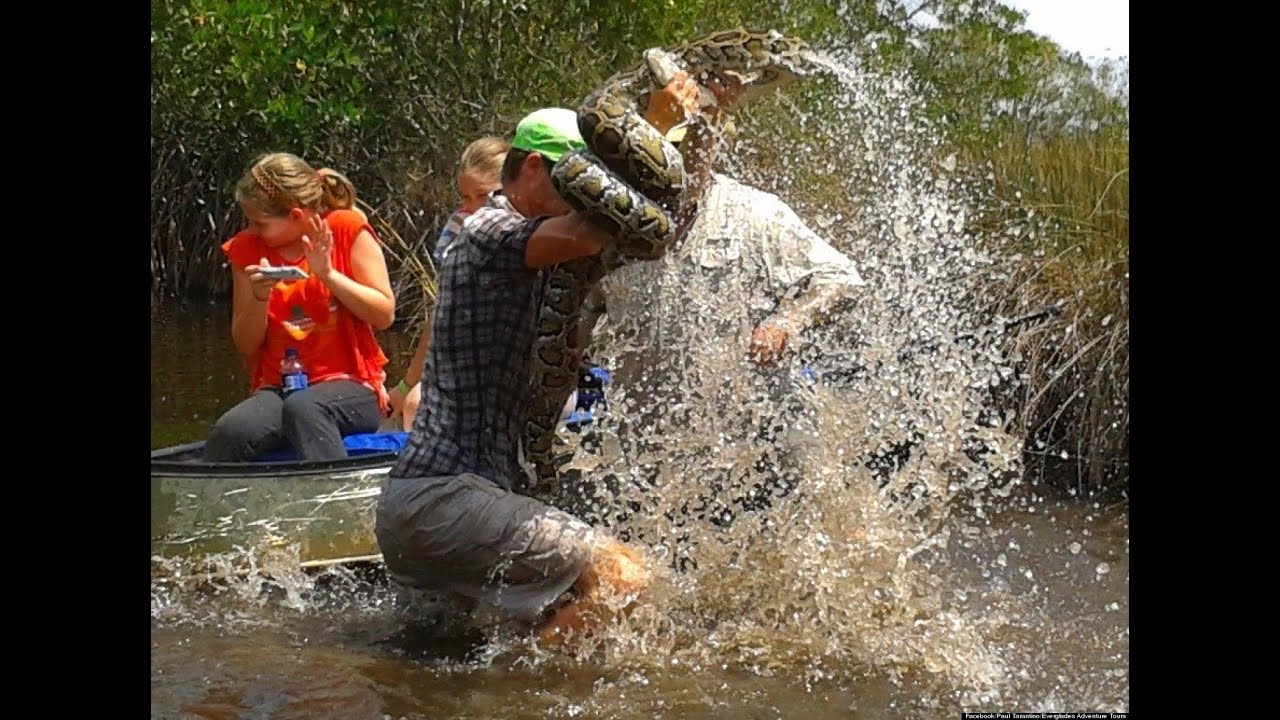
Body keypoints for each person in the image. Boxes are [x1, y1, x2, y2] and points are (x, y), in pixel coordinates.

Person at [375, 72, 705, 647]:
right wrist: (651, 127)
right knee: (624, 576)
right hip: (443, 497)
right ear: (533, 168)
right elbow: (602, 226)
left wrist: (696, 127)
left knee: (456, 654)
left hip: (449, 504)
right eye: (578, 179)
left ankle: (495, 684)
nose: (587, 194)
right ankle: (515, 691)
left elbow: (656, 225)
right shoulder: (488, 227)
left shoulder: (531, 251)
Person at [205, 152, 396, 462]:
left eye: (260, 224)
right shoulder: (247, 248)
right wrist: (259, 297)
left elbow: (384, 314)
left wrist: (328, 274)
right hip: (280, 387)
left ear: (295, 216)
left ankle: (332, 489)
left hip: (352, 386)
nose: (253, 230)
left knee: (305, 407)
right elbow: (246, 344)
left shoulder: (346, 228)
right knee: (231, 431)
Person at [388, 137, 511, 432]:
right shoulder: (460, 225)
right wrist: (407, 383)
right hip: (464, 359)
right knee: (414, 402)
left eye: (484, 195)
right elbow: (442, 313)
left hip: (508, 361)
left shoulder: (524, 229)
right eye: (466, 198)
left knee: (423, 404)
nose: (474, 208)